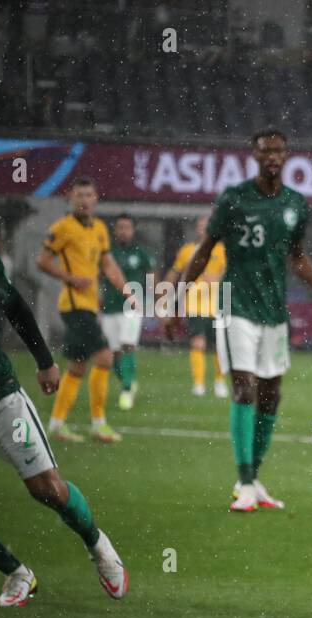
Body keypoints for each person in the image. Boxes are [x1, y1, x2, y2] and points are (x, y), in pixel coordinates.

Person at [177, 129, 312, 512]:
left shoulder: (296, 205)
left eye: (279, 151)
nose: (272, 157)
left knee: (271, 394)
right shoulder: (234, 200)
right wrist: (178, 296)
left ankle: (253, 478)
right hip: (236, 307)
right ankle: (245, 480)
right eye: (266, 151)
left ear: (286, 157)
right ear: (254, 155)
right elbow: (205, 250)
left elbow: (297, 256)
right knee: (244, 387)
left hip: (273, 312)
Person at [0, 241, 127, 606]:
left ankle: (97, 544)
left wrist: (44, 360)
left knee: (48, 490)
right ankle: (16, 572)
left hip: (0, 398)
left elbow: (14, 306)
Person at [36, 176, 130, 443]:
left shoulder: (100, 228)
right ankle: (99, 424)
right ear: (70, 198)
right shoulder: (62, 228)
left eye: (89, 195)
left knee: (77, 366)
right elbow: (42, 261)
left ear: (96, 198)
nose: (84, 200)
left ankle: (56, 423)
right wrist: (70, 278)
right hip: (74, 305)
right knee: (105, 358)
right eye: (79, 195)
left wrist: (128, 292)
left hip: (88, 305)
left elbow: (108, 264)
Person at [163, 216, 228, 397]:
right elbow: (175, 272)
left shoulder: (221, 250)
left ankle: (219, 381)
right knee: (197, 342)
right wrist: (163, 290)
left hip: (217, 304)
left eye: (206, 226)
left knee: (218, 346)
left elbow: (229, 272)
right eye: (200, 226)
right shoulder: (187, 251)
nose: (203, 229)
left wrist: (216, 279)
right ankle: (199, 384)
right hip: (193, 304)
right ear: (196, 229)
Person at [98, 212, 157, 409]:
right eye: (120, 227)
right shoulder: (107, 252)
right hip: (109, 307)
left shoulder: (141, 252)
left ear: (133, 230)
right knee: (112, 353)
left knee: (128, 346)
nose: (123, 231)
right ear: (115, 230)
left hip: (132, 306)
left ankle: (126, 389)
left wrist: (151, 299)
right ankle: (128, 380)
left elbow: (151, 277)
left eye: (127, 227)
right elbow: (98, 276)